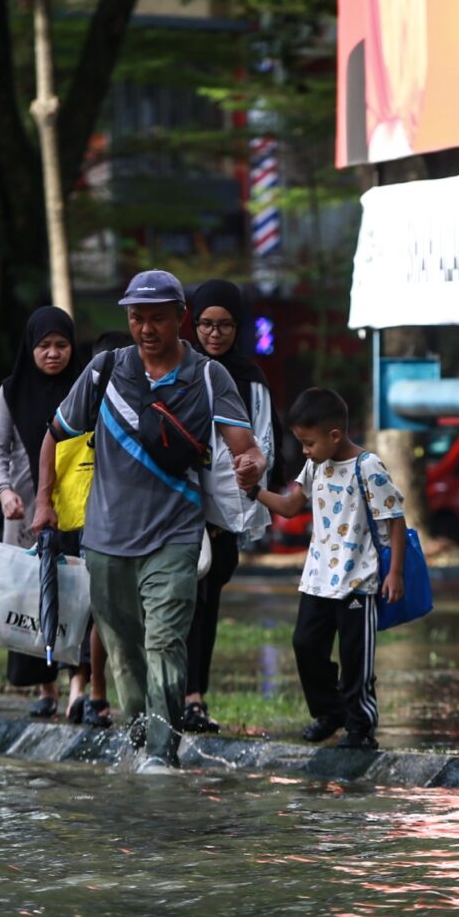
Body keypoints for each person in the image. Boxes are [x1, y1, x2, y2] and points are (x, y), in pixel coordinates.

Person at [32, 271, 264, 765]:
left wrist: (251, 466)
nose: (145, 328)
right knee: (124, 652)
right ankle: (141, 736)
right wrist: (43, 502)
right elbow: (55, 435)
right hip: (106, 539)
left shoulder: (208, 376)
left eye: (157, 318)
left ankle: (162, 752)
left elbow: (246, 448)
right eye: (136, 318)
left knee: (165, 642)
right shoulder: (104, 371)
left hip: (176, 534)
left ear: (180, 318)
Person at [254, 387, 406, 752]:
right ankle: (329, 712)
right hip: (318, 578)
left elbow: (395, 519)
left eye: (309, 443)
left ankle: (361, 727)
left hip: (359, 580)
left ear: (334, 435)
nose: (304, 451)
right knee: (305, 644)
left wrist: (395, 573)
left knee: (356, 659)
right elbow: (291, 507)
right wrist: (253, 492)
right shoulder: (316, 465)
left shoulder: (367, 466)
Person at [0, 307, 106, 725]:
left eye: (61, 345)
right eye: (43, 346)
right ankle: (45, 687)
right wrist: (5, 493)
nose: (53, 354)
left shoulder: (84, 387)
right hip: (23, 511)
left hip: (80, 509)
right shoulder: (11, 391)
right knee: (30, 598)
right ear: (29, 348)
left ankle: (79, 686)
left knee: (81, 597)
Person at [181, 279, 287, 734]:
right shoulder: (179, 371)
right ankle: (168, 696)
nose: (215, 334)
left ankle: (194, 698)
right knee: (173, 607)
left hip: (224, 516)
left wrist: (238, 508)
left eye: (225, 325)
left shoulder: (249, 379)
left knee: (206, 607)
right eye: (206, 324)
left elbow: (262, 443)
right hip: (175, 509)